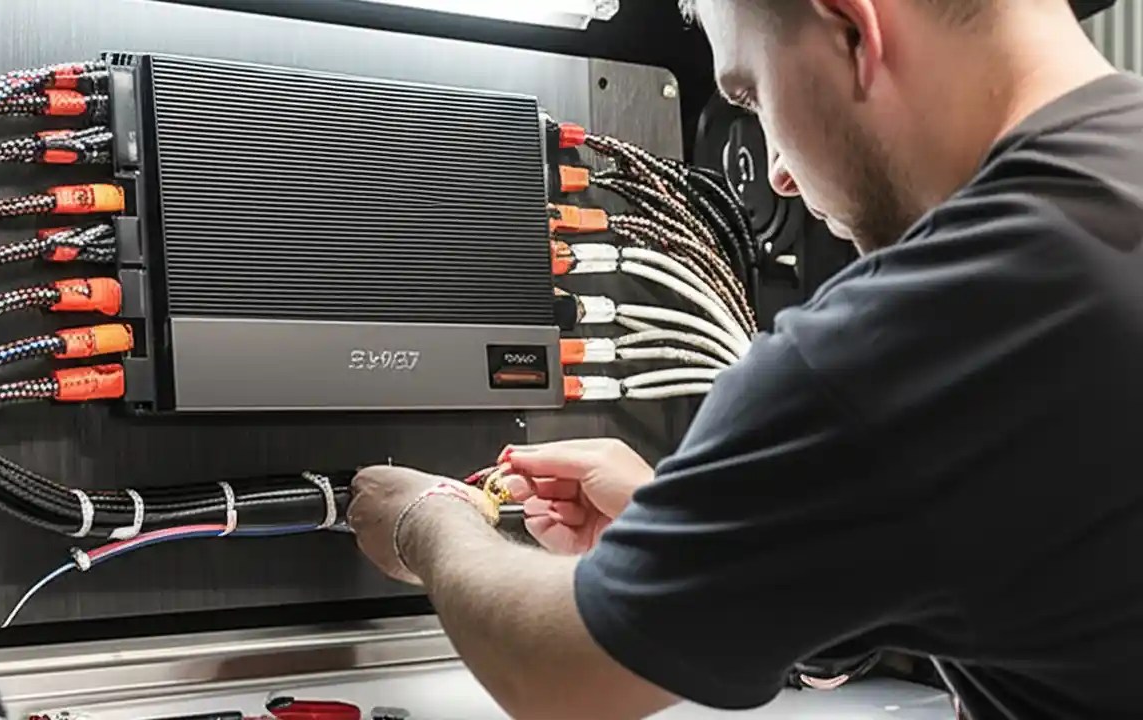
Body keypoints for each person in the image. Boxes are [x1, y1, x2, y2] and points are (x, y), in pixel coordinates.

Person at [346, 0, 1143, 717]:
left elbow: (560, 671)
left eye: (751, 95)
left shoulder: (935, 319)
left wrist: (426, 521)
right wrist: (698, 526)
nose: (777, 174)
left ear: (851, 26)